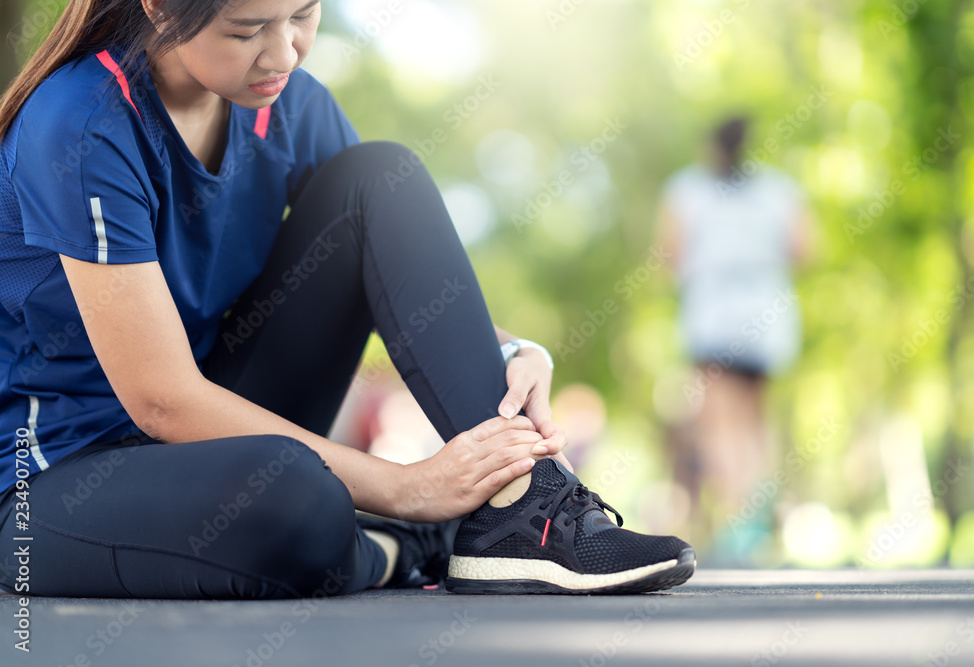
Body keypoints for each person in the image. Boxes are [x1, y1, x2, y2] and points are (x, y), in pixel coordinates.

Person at [0, 0, 694, 598]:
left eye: (303, 15)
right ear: (156, 6)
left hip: (222, 422)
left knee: (380, 176)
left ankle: (522, 512)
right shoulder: (82, 124)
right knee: (298, 500)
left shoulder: (288, 103)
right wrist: (406, 488)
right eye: (248, 30)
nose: (284, 52)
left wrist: (513, 349)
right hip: (60, 477)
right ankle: (407, 540)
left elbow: (395, 265)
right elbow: (161, 400)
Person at [657, 116, 813, 561]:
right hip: (767, 311)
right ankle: (755, 521)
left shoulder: (685, 189)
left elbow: (669, 254)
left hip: (713, 311)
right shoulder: (779, 189)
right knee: (753, 422)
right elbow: (805, 249)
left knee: (717, 423)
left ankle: (737, 525)